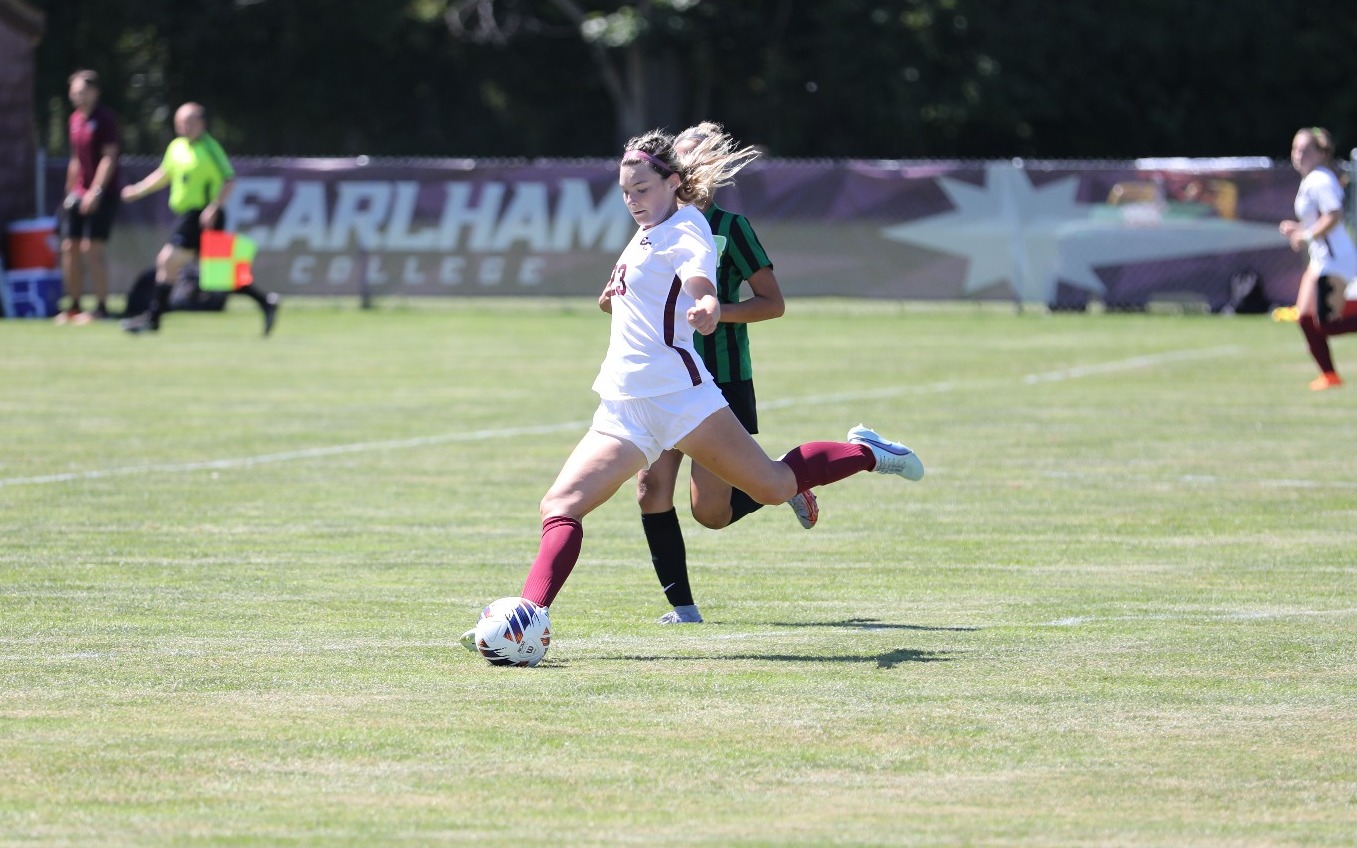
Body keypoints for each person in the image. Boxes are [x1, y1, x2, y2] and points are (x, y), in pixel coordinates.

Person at [464, 128, 924, 644]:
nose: (631, 200)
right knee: (560, 505)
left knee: (771, 487)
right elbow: (634, 290)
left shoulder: (687, 229)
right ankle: (529, 616)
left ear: (672, 183)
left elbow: (698, 276)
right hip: (623, 405)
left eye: (641, 188)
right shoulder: (646, 230)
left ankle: (865, 451)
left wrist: (707, 305)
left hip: (681, 399)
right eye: (624, 190)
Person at [601, 122, 812, 625]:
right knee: (650, 489)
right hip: (661, 380)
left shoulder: (729, 228)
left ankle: (789, 477)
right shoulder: (651, 222)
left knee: (711, 513)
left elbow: (773, 304)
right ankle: (684, 609)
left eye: (695, 157)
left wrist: (716, 311)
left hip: (718, 377)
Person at [119, 102, 280, 335]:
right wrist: (139, 190)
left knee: (167, 261)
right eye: (180, 121)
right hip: (189, 216)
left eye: (189, 121)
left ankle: (152, 318)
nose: (183, 126)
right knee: (219, 275)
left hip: (204, 216)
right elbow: (165, 173)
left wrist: (214, 207)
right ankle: (266, 302)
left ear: (201, 124)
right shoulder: (177, 147)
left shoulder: (210, 147)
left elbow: (229, 180)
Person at [1278, 127, 1357, 391]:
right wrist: (1300, 230)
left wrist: (1306, 235)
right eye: (1295, 149)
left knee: (1328, 324)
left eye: (1305, 150)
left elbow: (1333, 215)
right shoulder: (1312, 179)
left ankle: (1330, 374)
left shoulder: (1320, 179)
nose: (1298, 155)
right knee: (1304, 318)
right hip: (1321, 259)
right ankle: (1329, 375)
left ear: (1321, 153)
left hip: (1335, 259)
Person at [56, 70, 120, 324]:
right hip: (78, 193)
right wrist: (69, 192)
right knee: (69, 246)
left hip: (102, 192)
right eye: (74, 93)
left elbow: (109, 157)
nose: (77, 97)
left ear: (95, 92)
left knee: (91, 248)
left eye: (81, 92)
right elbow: (75, 160)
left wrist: (96, 190)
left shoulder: (105, 119)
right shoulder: (74, 120)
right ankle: (73, 306)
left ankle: (102, 307)